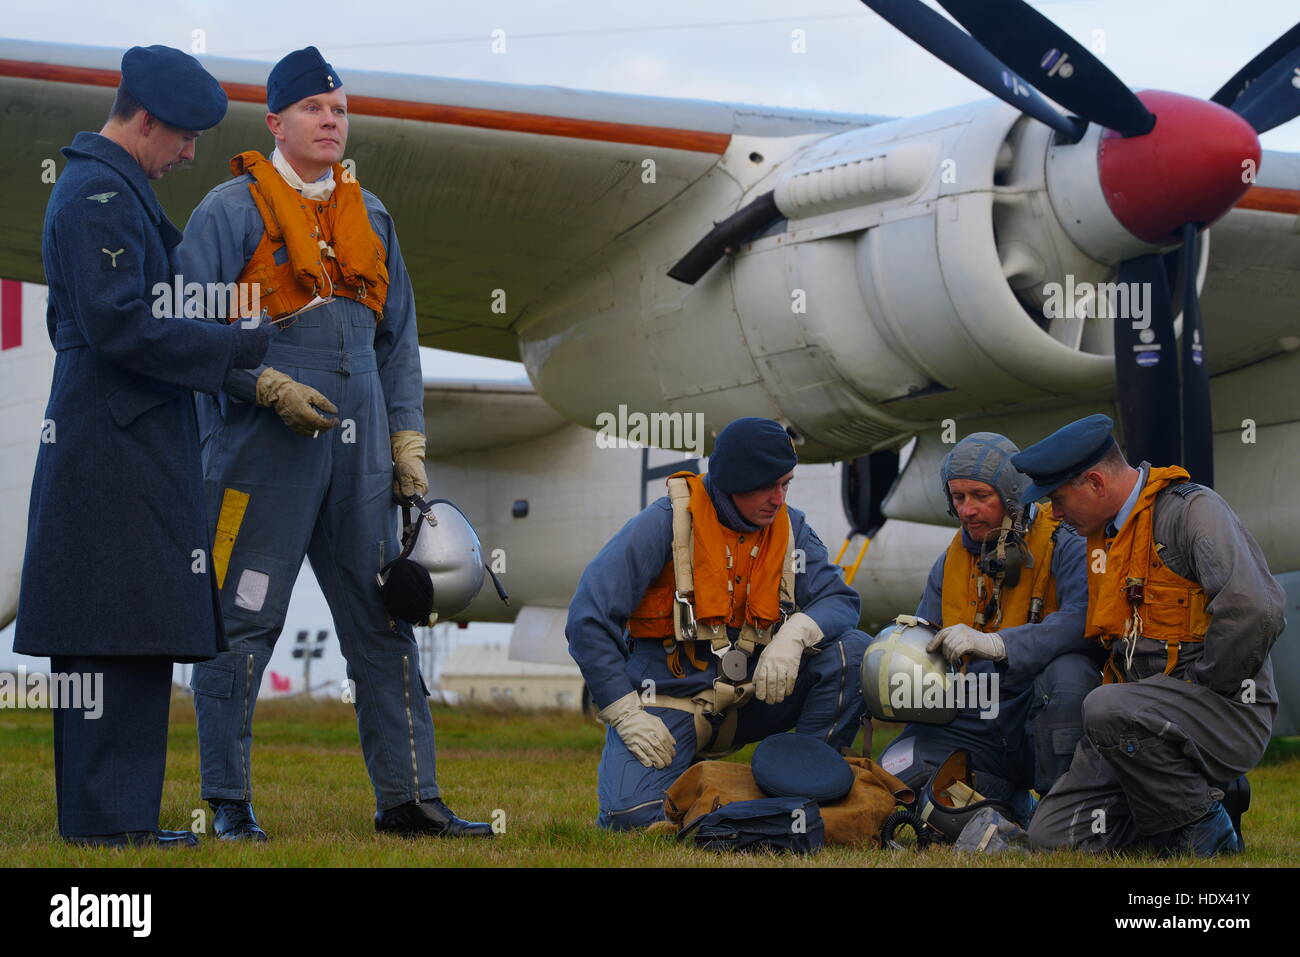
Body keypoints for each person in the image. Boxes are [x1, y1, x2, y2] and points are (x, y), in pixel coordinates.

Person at [178, 46, 490, 839]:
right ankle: (227, 803)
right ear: (275, 121)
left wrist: (408, 442)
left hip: (363, 460)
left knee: (385, 622)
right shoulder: (227, 212)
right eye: (314, 109)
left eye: (340, 109)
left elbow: (400, 341)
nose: (331, 121)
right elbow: (182, 334)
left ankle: (409, 799)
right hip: (259, 456)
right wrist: (265, 386)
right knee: (240, 620)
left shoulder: (373, 217)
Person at [14, 46, 274, 848]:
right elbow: (120, 321)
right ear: (147, 120)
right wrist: (232, 350)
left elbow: (161, 300)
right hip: (108, 444)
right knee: (106, 631)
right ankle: (103, 824)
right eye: (186, 135)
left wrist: (241, 321)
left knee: (130, 630)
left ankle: (118, 817)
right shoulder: (96, 193)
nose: (191, 152)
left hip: (122, 439)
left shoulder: (113, 188)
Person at [566, 416, 869, 829]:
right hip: (671, 703)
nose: (779, 499)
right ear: (733, 480)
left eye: (786, 484)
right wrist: (624, 712)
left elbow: (840, 600)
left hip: (757, 696)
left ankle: (808, 787)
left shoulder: (790, 528)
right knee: (630, 817)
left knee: (851, 650)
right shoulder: (664, 523)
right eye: (768, 485)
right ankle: (743, 799)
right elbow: (589, 615)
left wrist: (795, 636)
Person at [1014, 414, 1284, 856]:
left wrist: (1206, 687)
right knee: (1054, 836)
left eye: (1059, 499)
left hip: (1223, 710)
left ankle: (1204, 829)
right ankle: (1195, 802)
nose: (1055, 515)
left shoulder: (1192, 512)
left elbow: (1257, 610)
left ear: (1097, 483)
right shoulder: (1103, 537)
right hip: (1132, 723)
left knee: (1103, 704)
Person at [876, 433, 1099, 822]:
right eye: (958, 498)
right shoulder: (951, 561)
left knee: (1069, 675)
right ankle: (1004, 802)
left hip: (1037, 712)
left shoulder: (1064, 540)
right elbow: (925, 641)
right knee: (893, 773)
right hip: (973, 715)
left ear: (1013, 494)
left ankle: (1060, 808)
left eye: (981, 496)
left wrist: (999, 644)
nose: (967, 510)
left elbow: (1084, 619)